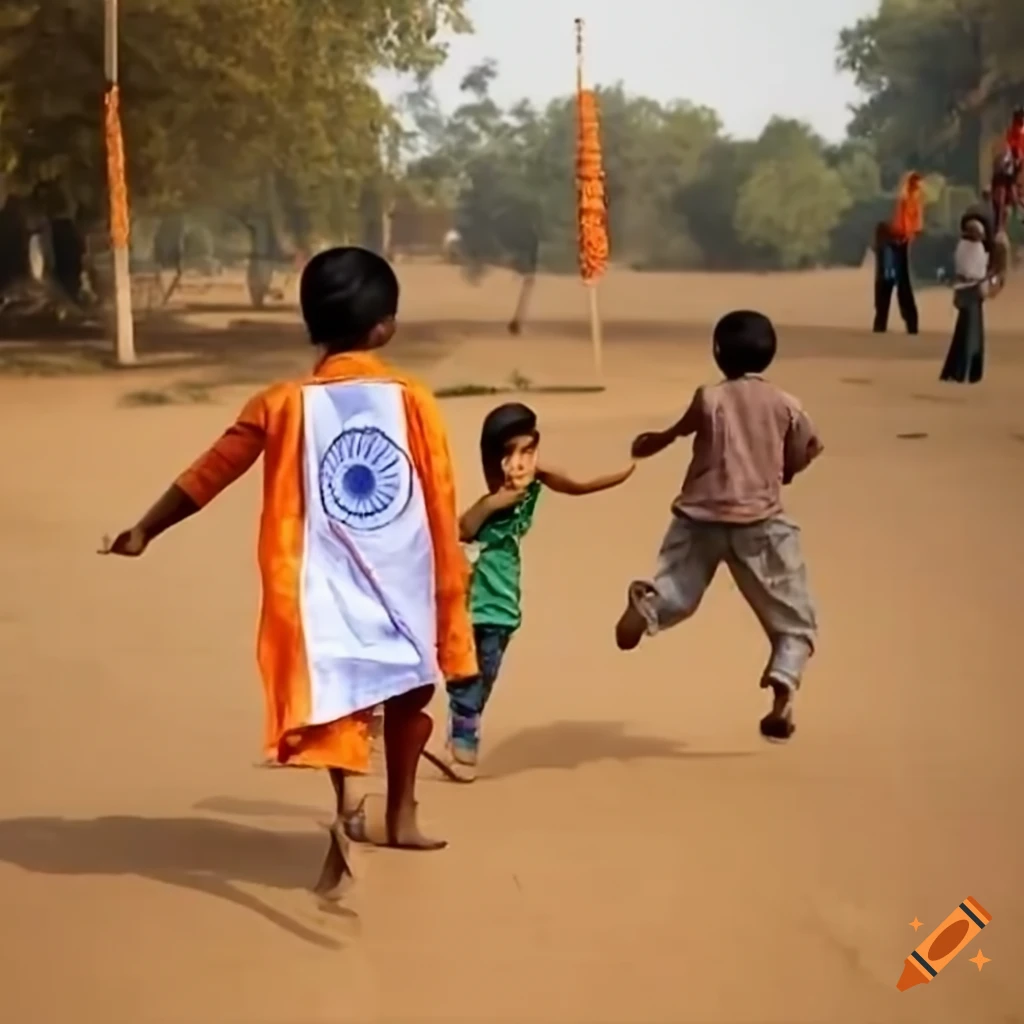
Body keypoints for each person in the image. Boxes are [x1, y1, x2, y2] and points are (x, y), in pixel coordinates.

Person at [99, 247, 476, 896]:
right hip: (402, 583)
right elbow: (438, 491)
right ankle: (402, 813)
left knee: (338, 692)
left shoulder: (280, 403)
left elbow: (209, 472)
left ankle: (347, 807)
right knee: (412, 689)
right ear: (384, 327)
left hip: (320, 588)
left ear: (312, 323)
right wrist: (449, 577)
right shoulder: (412, 397)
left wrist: (145, 529)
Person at [615, 310, 821, 741]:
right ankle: (784, 679)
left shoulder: (708, 398)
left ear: (717, 352)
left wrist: (650, 442)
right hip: (761, 523)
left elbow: (675, 432)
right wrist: (788, 470)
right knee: (793, 618)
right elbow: (806, 449)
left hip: (699, 518)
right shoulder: (787, 405)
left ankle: (649, 606)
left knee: (679, 590)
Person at [441, 402, 635, 780]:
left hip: (503, 603)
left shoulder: (533, 487)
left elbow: (574, 484)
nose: (519, 462)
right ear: (491, 460)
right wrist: (495, 501)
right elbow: (462, 529)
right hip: (470, 601)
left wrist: (619, 474)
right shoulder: (491, 501)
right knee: (467, 674)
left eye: (528, 451)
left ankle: (463, 720)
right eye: (509, 454)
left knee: (488, 673)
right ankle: (462, 740)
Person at [940, 215, 1001, 384]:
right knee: (970, 335)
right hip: (972, 294)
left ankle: (961, 371)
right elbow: (973, 273)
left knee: (966, 333)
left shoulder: (963, 246)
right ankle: (965, 372)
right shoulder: (974, 248)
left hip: (967, 294)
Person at [875, 172, 923, 334]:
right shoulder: (898, 199)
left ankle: (911, 325)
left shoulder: (914, 199)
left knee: (902, 287)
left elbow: (915, 225)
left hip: (902, 244)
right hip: (889, 242)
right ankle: (881, 324)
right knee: (885, 285)